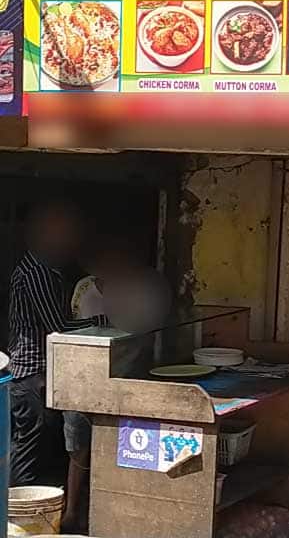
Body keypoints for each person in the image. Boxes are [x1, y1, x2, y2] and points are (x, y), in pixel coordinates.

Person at [61, 234, 173, 533]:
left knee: (117, 447)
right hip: (83, 377)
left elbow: (145, 330)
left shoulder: (141, 288)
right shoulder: (84, 288)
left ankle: (111, 512)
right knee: (78, 449)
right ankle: (71, 513)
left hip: (126, 376)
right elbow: (71, 326)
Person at [8, 201, 108, 487]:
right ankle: (21, 505)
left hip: (39, 373)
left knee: (36, 447)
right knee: (29, 450)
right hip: (33, 374)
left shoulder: (44, 269)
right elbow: (59, 327)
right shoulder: (37, 273)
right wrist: (104, 320)